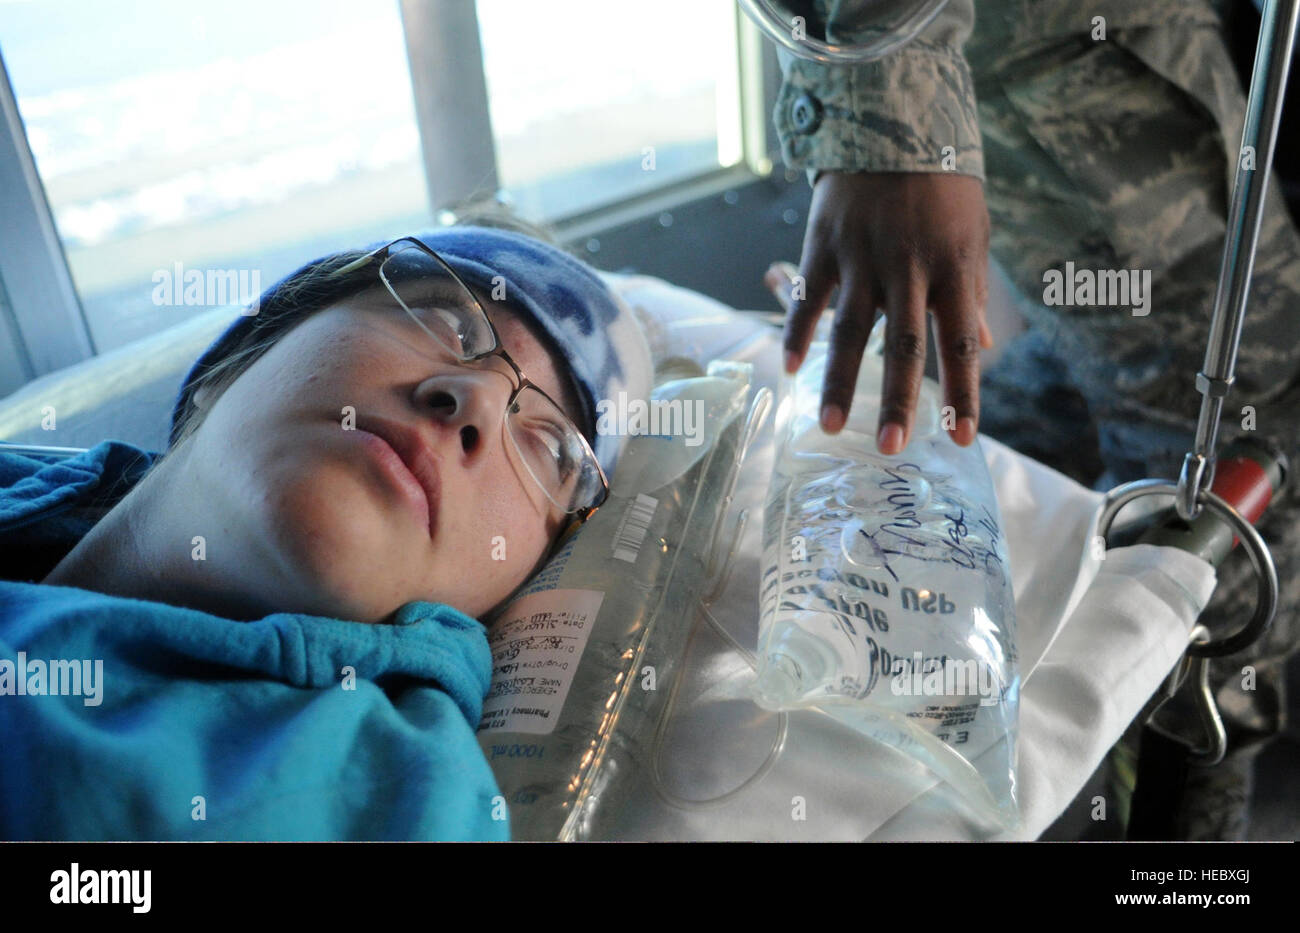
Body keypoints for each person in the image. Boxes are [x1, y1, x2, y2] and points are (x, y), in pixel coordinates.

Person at [767, 0, 1300, 838]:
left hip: (1069, 36)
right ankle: (1181, 837)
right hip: (1065, 36)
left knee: (1094, 365)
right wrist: (891, 118)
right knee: (1251, 428)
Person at [0, 220, 652, 840]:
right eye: (445, 322)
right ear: (233, 362)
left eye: (548, 451)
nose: (476, 401)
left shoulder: (401, 801)